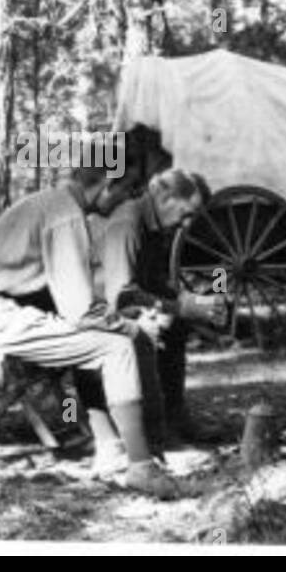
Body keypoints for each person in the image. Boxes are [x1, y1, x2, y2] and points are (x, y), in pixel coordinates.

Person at [0, 165, 180, 498]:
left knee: (98, 340)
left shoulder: (51, 202)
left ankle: (112, 450)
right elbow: (81, 310)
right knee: (116, 347)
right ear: (107, 185)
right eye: (125, 192)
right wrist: (133, 326)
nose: (126, 202)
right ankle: (141, 467)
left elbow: (69, 300)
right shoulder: (66, 214)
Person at [92, 169, 222, 452]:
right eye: (185, 214)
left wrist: (193, 303)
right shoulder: (128, 224)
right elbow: (122, 296)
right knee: (154, 330)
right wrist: (180, 306)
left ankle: (175, 417)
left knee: (177, 325)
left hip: (115, 303)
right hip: (96, 310)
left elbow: (152, 283)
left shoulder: (153, 225)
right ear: (166, 199)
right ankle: (152, 430)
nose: (186, 224)